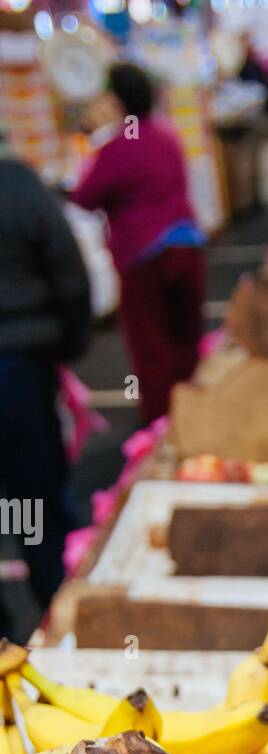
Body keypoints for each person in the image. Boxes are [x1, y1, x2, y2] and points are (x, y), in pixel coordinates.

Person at [70, 62, 205, 424]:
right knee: (185, 341)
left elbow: (84, 197)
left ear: (115, 100)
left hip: (144, 255)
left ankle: (164, 431)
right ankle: (196, 418)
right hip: (187, 244)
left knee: (153, 350)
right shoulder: (167, 136)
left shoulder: (117, 146)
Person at [0, 151, 91, 630]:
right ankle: (56, 608)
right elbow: (67, 265)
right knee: (30, 497)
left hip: (20, 361)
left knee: (27, 500)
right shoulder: (17, 183)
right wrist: (70, 340)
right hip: (18, 369)